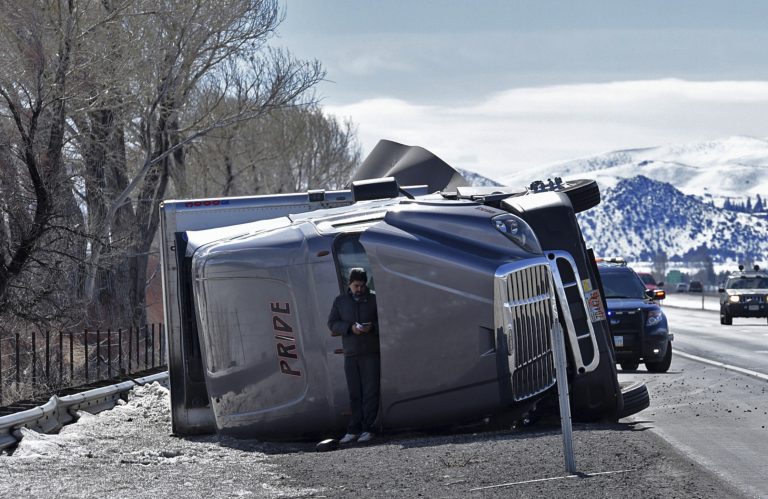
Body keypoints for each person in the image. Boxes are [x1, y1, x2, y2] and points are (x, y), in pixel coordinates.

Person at [327, 267, 380, 444]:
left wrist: (371, 327)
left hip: (371, 353)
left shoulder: (374, 299)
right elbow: (332, 323)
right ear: (349, 284)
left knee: (371, 393)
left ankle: (369, 428)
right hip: (351, 354)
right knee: (355, 393)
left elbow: (385, 320)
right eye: (356, 285)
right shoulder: (340, 301)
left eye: (362, 285)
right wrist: (349, 328)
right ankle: (354, 429)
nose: (360, 289)